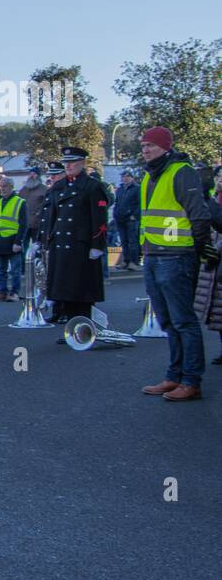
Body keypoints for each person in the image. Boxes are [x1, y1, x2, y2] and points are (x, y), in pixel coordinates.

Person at [137, 127, 214, 402]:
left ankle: (191, 381)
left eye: (151, 145)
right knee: (168, 321)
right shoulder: (150, 175)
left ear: (165, 147)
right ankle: (174, 376)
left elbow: (199, 215)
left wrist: (202, 247)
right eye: (143, 145)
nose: (145, 149)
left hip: (177, 256)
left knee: (183, 321)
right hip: (154, 255)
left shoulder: (181, 172)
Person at [44, 146, 108, 340]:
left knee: (82, 293)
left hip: (81, 246)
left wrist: (98, 245)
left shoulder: (92, 186)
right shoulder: (58, 186)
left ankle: (84, 330)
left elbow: (99, 219)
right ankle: (71, 331)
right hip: (62, 244)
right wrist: (47, 241)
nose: (68, 166)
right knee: (66, 292)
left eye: (72, 162)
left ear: (82, 164)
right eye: (66, 162)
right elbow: (52, 217)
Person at [193, 166, 222, 365]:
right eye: (219, 176)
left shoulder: (213, 203)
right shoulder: (213, 199)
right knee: (217, 310)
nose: (220, 179)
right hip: (214, 256)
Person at [0, 176, 28, 302]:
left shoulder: (20, 202)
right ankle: (2, 291)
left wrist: (18, 241)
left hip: (12, 241)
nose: (2, 189)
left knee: (15, 270)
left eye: (5, 186)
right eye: (1, 186)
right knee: (1, 270)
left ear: (11, 187)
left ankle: (14, 292)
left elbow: (24, 224)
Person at [113, 170, 142, 270]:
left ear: (132, 178)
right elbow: (116, 202)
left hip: (131, 219)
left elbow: (141, 203)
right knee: (124, 241)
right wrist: (115, 213)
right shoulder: (120, 189)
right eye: (123, 176)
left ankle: (134, 262)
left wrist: (135, 215)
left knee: (133, 241)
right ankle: (126, 261)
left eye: (127, 176)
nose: (125, 178)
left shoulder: (137, 188)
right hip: (120, 218)